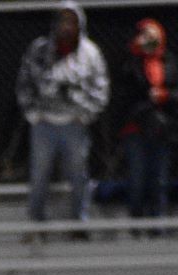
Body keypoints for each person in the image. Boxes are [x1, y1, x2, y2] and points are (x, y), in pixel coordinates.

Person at [19, 4, 111, 223]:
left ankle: (79, 222)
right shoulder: (40, 49)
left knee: (78, 175)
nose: (67, 26)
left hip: (74, 124)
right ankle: (36, 222)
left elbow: (101, 86)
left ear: (80, 24)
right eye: (63, 21)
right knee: (39, 175)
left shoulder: (90, 53)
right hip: (44, 123)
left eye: (72, 22)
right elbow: (24, 82)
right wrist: (32, 114)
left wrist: (86, 114)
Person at [113, 18, 175, 218]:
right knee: (137, 177)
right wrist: (134, 52)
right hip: (135, 126)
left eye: (153, 35)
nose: (149, 39)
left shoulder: (170, 62)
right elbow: (121, 90)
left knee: (159, 177)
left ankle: (158, 223)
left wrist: (165, 96)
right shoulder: (130, 62)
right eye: (145, 35)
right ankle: (136, 222)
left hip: (161, 127)